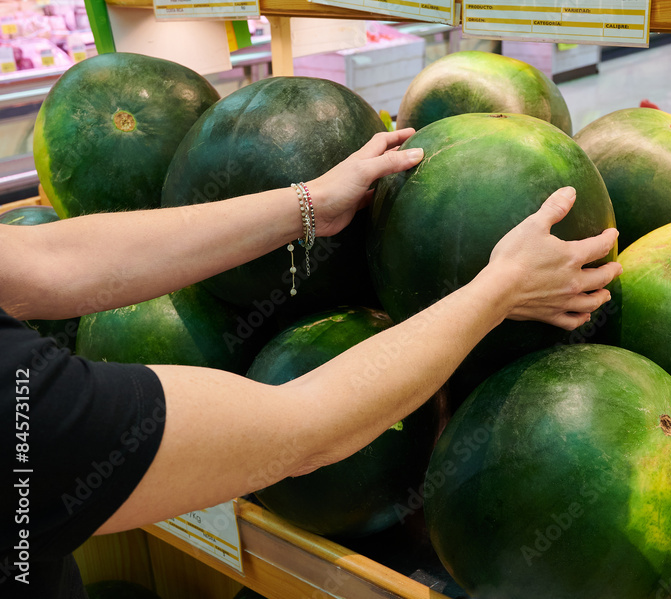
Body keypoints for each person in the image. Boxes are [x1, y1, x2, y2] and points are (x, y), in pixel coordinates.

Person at [0, 128, 621, 598]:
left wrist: (311, 204)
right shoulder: (25, 411)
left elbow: (48, 262)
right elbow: (304, 427)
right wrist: (501, 290)